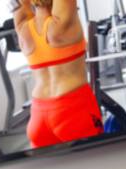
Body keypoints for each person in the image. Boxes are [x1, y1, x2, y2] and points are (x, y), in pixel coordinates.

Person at [14, 0, 104, 147]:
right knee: (95, 167)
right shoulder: (62, 25)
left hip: (38, 117)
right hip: (73, 110)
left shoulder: (23, 28)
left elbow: (16, 4)